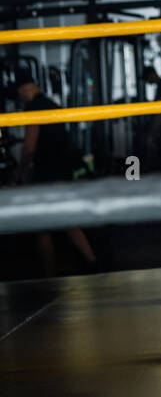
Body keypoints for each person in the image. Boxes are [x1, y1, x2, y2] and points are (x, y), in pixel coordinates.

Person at [14, 77, 98, 277]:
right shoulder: (52, 104)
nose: (19, 98)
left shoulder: (33, 108)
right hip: (62, 169)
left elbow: (29, 147)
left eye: (19, 94)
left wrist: (20, 172)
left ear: (26, 89)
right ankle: (92, 262)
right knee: (66, 221)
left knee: (42, 226)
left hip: (46, 172)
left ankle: (48, 275)